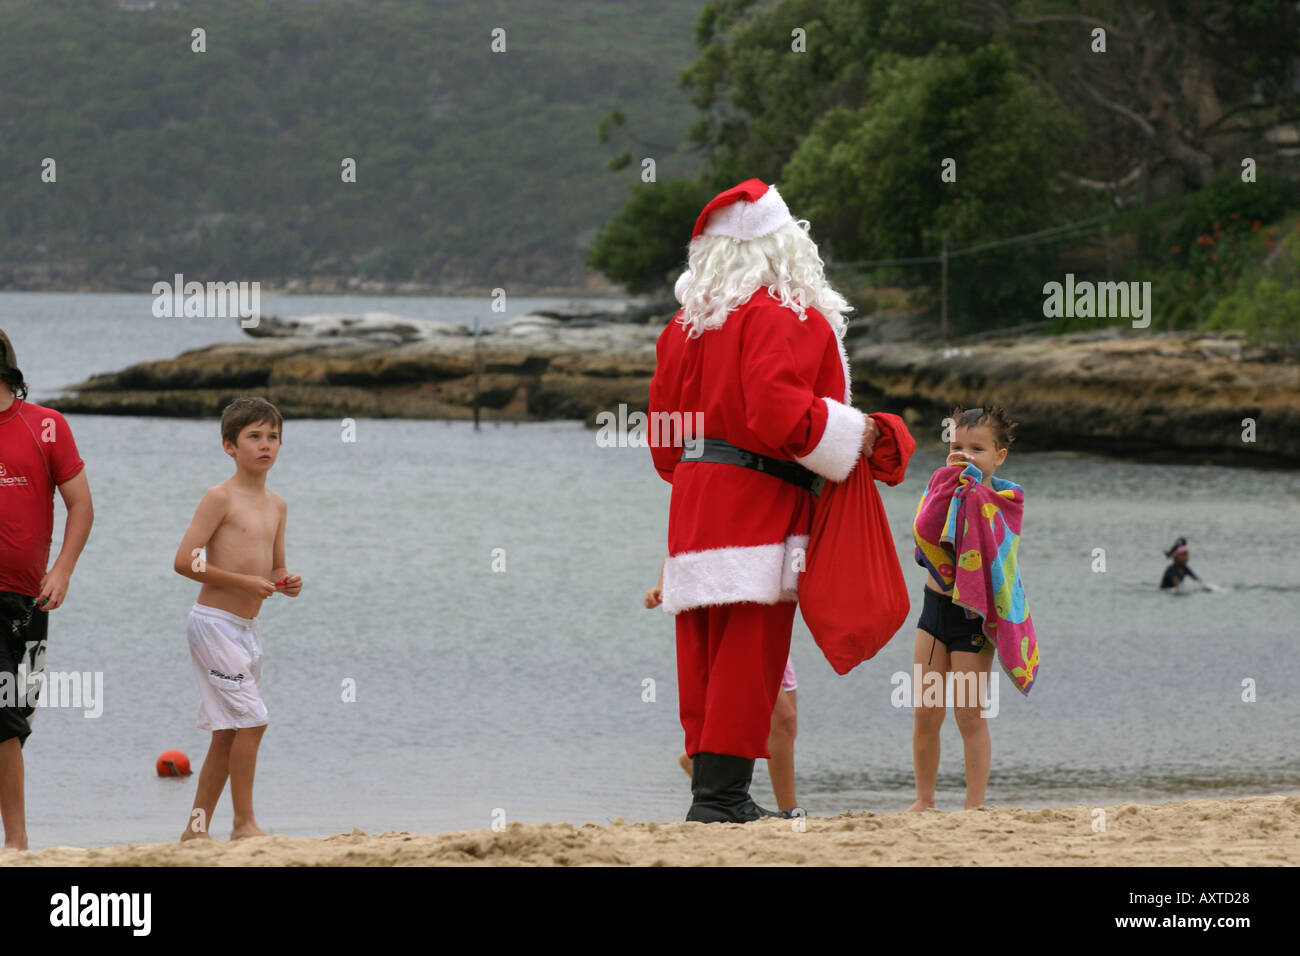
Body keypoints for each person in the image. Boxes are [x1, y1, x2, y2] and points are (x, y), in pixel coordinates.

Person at [648, 179, 878, 823]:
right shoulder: (784, 315)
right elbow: (782, 415)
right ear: (787, 243)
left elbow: (663, 440)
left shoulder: (684, 326)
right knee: (751, 652)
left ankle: (710, 796)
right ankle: (722, 799)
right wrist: (859, 437)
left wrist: (695, 472)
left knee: (701, 647)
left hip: (694, 498)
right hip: (759, 497)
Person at [173, 397, 302, 842]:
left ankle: (195, 832)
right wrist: (244, 582)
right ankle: (244, 824)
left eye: (273, 437)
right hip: (213, 624)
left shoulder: (277, 504)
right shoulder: (219, 497)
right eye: (254, 437)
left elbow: (275, 566)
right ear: (229, 446)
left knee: (229, 732)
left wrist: (286, 581)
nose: (265, 445)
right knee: (253, 721)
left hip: (247, 629)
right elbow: (184, 562)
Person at [0, 329, 94, 852]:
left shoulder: (46, 427)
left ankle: (16, 843)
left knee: (13, 721)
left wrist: (62, 570)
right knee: (1, 717)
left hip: (28, 599)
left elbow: (81, 506)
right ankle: (17, 844)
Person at [909, 404, 1019, 812]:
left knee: (969, 715)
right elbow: (925, 530)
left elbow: (999, 552)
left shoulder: (1003, 499)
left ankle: (975, 804)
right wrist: (947, 485)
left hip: (972, 617)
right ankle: (924, 800)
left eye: (977, 448)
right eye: (956, 446)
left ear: (999, 456)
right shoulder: (938, 487)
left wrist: (972, 490)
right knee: (925, 711)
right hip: (933, 610)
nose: (964, 455)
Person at [645, 560, 802, 816]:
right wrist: (662, 585)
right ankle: (790, 810)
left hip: (774, 621)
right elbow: (686, 543)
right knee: (784, 720)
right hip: (743, 623)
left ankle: (705, 769)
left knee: (785, 729)